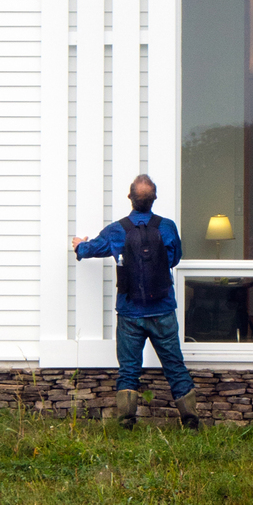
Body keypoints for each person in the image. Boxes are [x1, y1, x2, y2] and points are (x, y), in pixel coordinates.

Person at [74, 175, 205, 430]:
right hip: (163, 310)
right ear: (154, 199)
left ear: (130, 198)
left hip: (129, 312)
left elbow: (91, 250)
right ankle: (191, 421)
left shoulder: (116, 230)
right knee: (174, 366)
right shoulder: (167, 227)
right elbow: (175, 259)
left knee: (129, 369)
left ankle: (126, 423)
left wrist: (80, 246)